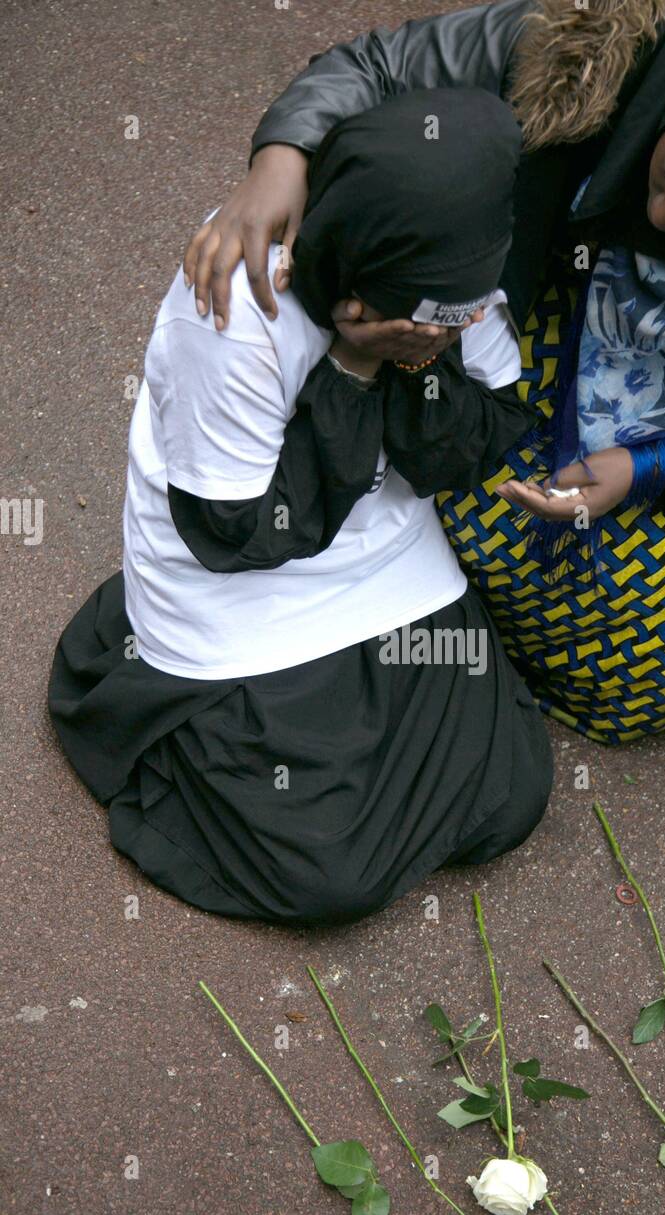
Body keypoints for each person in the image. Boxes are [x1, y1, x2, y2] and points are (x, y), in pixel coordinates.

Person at [184, 0, 665, 741]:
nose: (659, 214)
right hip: (549, 287)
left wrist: (655, 465)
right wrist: (281, 155)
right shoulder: (600, 44)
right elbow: (375, 66)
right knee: (466, 450)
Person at [48, 88, 553, 924]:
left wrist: (418, 362)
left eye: (454, 318)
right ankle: (162, 717)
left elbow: (477, 438)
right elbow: (238, 533)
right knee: (329, 875)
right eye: (424, 318)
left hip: (385, 553)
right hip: (243, 573)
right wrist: (355, 367)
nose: (444, 330)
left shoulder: (456, 271)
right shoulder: (237, 306)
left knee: (510, 796)